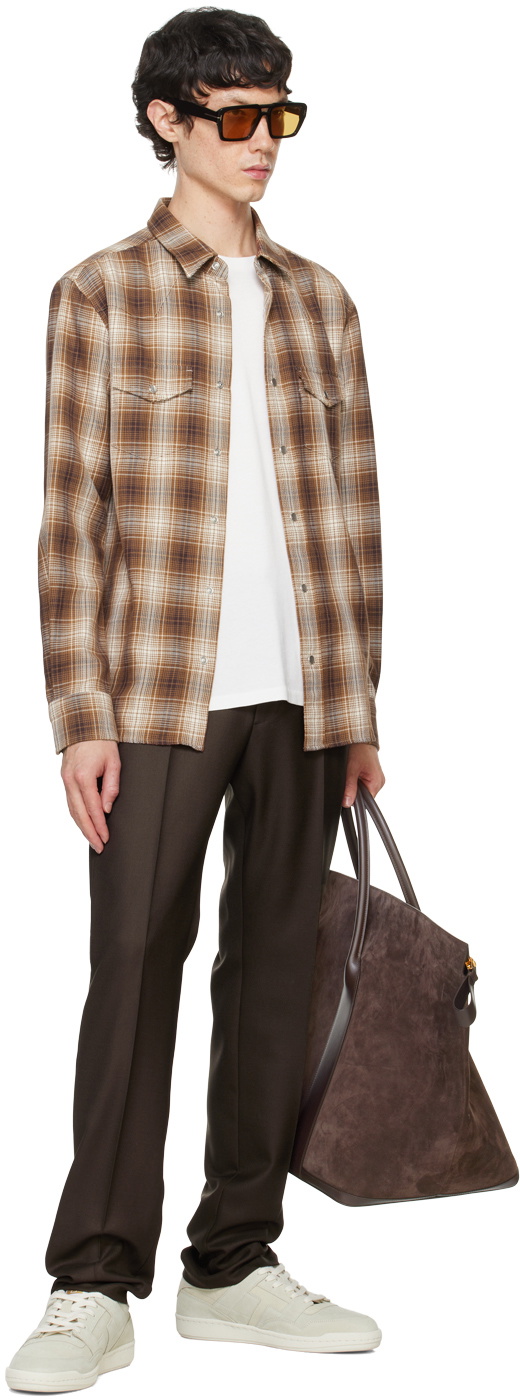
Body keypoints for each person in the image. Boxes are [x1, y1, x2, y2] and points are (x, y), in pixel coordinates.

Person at [6, 6, 385, 1389]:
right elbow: (72, 523)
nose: (263, 140)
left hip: (306, 699)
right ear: (166, 120)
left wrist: (359, 709)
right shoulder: (98, 292)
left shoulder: (322, 299)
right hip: (157, 696)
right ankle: (91, 1281)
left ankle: (233, 1261)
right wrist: (80, 714)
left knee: (275, 978)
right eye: (235, 115)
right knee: (132, 973)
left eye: (280, 114)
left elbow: (357, 514)